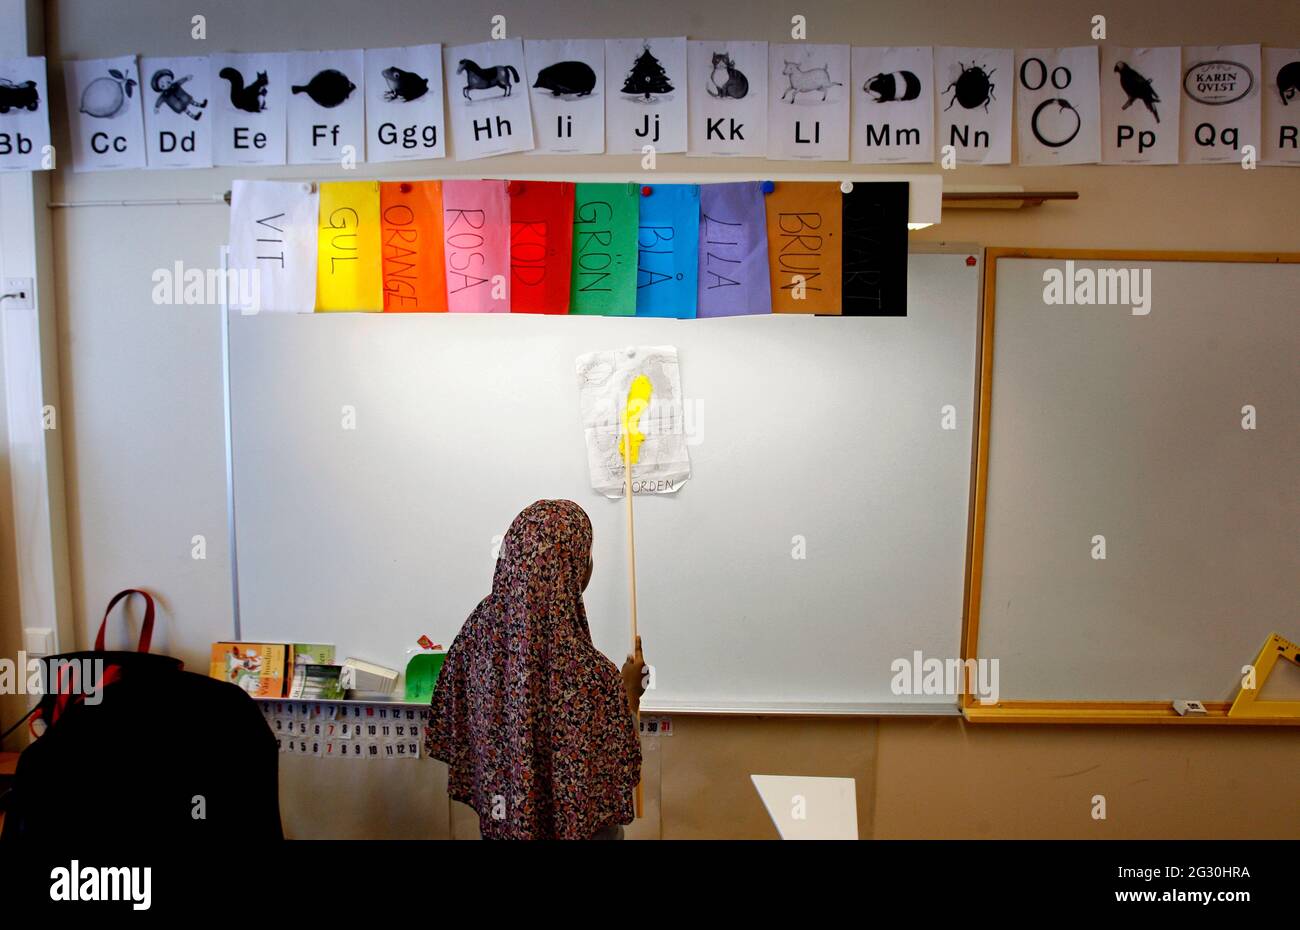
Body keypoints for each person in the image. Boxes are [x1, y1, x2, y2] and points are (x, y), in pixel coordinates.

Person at [425, 499, 645, 840]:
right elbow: (617, 763)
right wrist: (628, 693)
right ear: (575, 569)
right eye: (586, 556)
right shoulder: (592, 675)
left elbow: (448, 725)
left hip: (502, 822)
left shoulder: (473, 641)